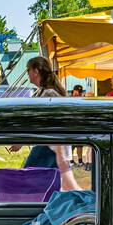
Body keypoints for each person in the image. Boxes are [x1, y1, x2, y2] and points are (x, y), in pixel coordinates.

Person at [19, 57, 80, 191]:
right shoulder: (47, 92)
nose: (28, 73)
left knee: (27, 181)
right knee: (45, 185)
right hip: (51, 146)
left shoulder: (49, 94)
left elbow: (40, 124)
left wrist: (22, 140)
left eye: (28, 70)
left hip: (49, 147)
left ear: (36, 71)